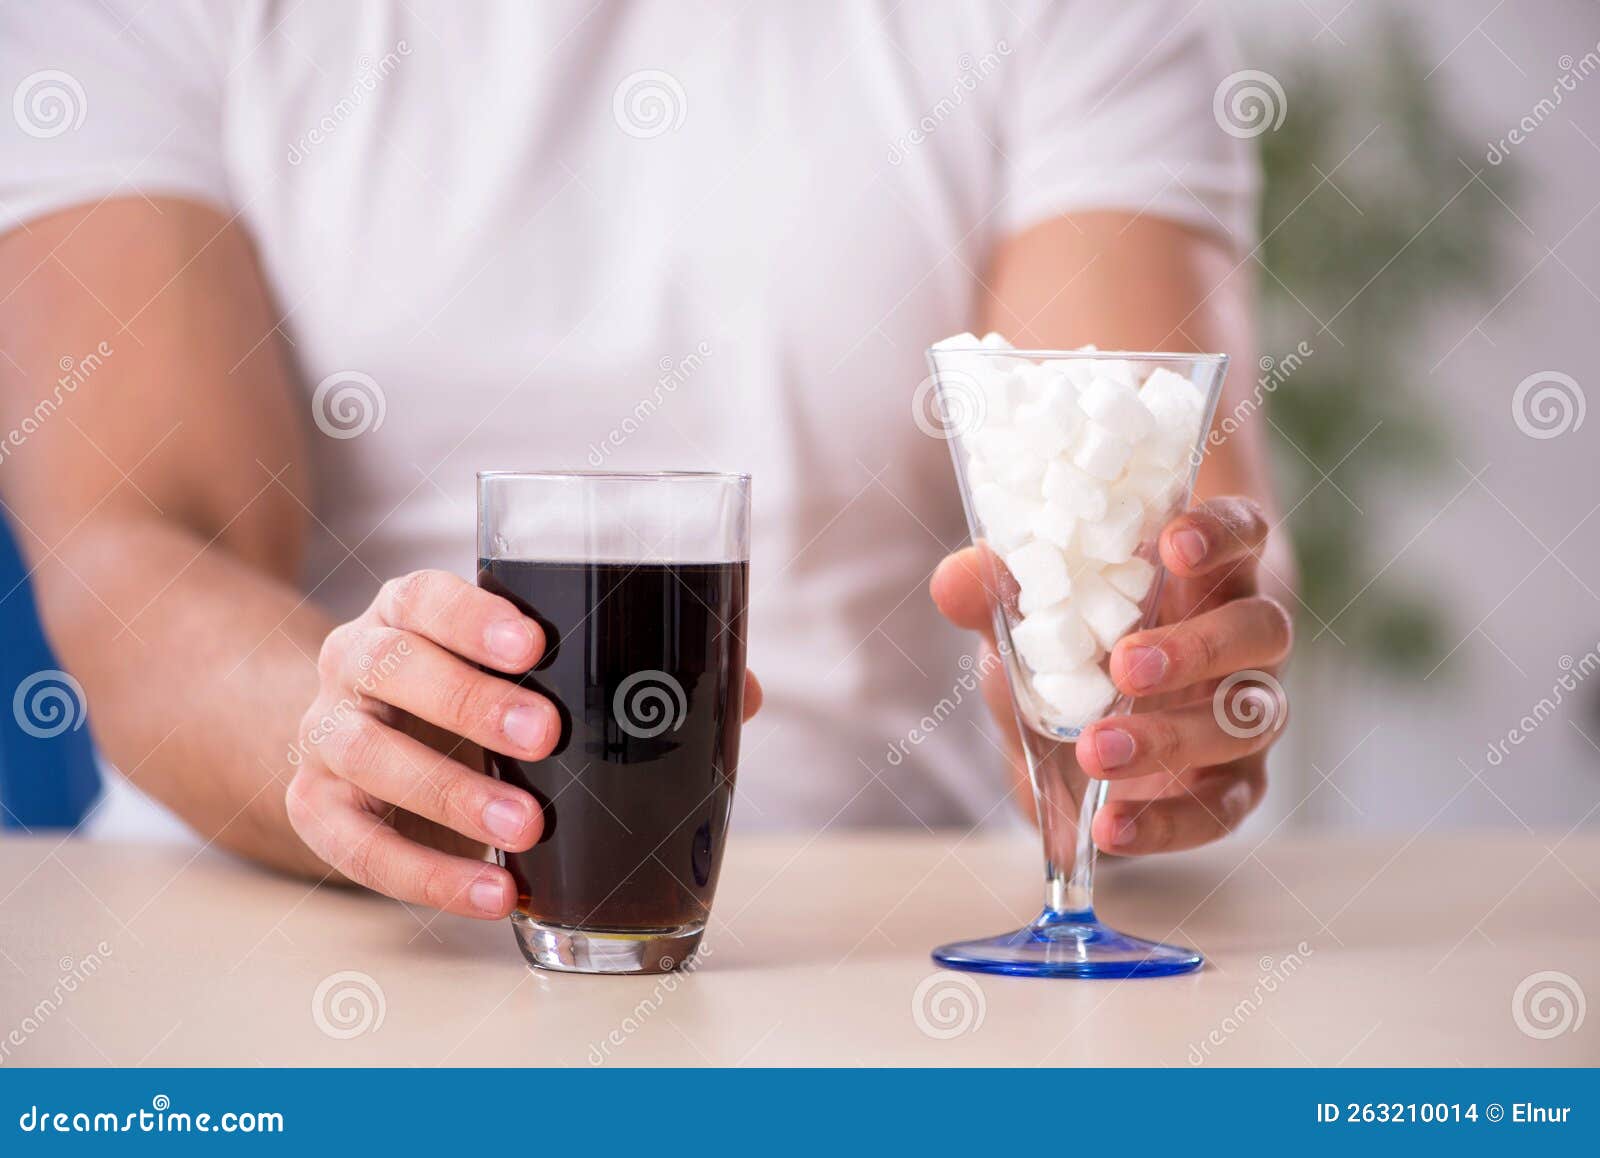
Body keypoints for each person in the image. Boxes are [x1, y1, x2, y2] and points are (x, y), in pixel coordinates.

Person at [0, 1, 1292, 920]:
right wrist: (347, 742)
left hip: (881, 939)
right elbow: (133, 535)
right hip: (289, 927)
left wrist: (1150, 676)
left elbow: (1143, 476)